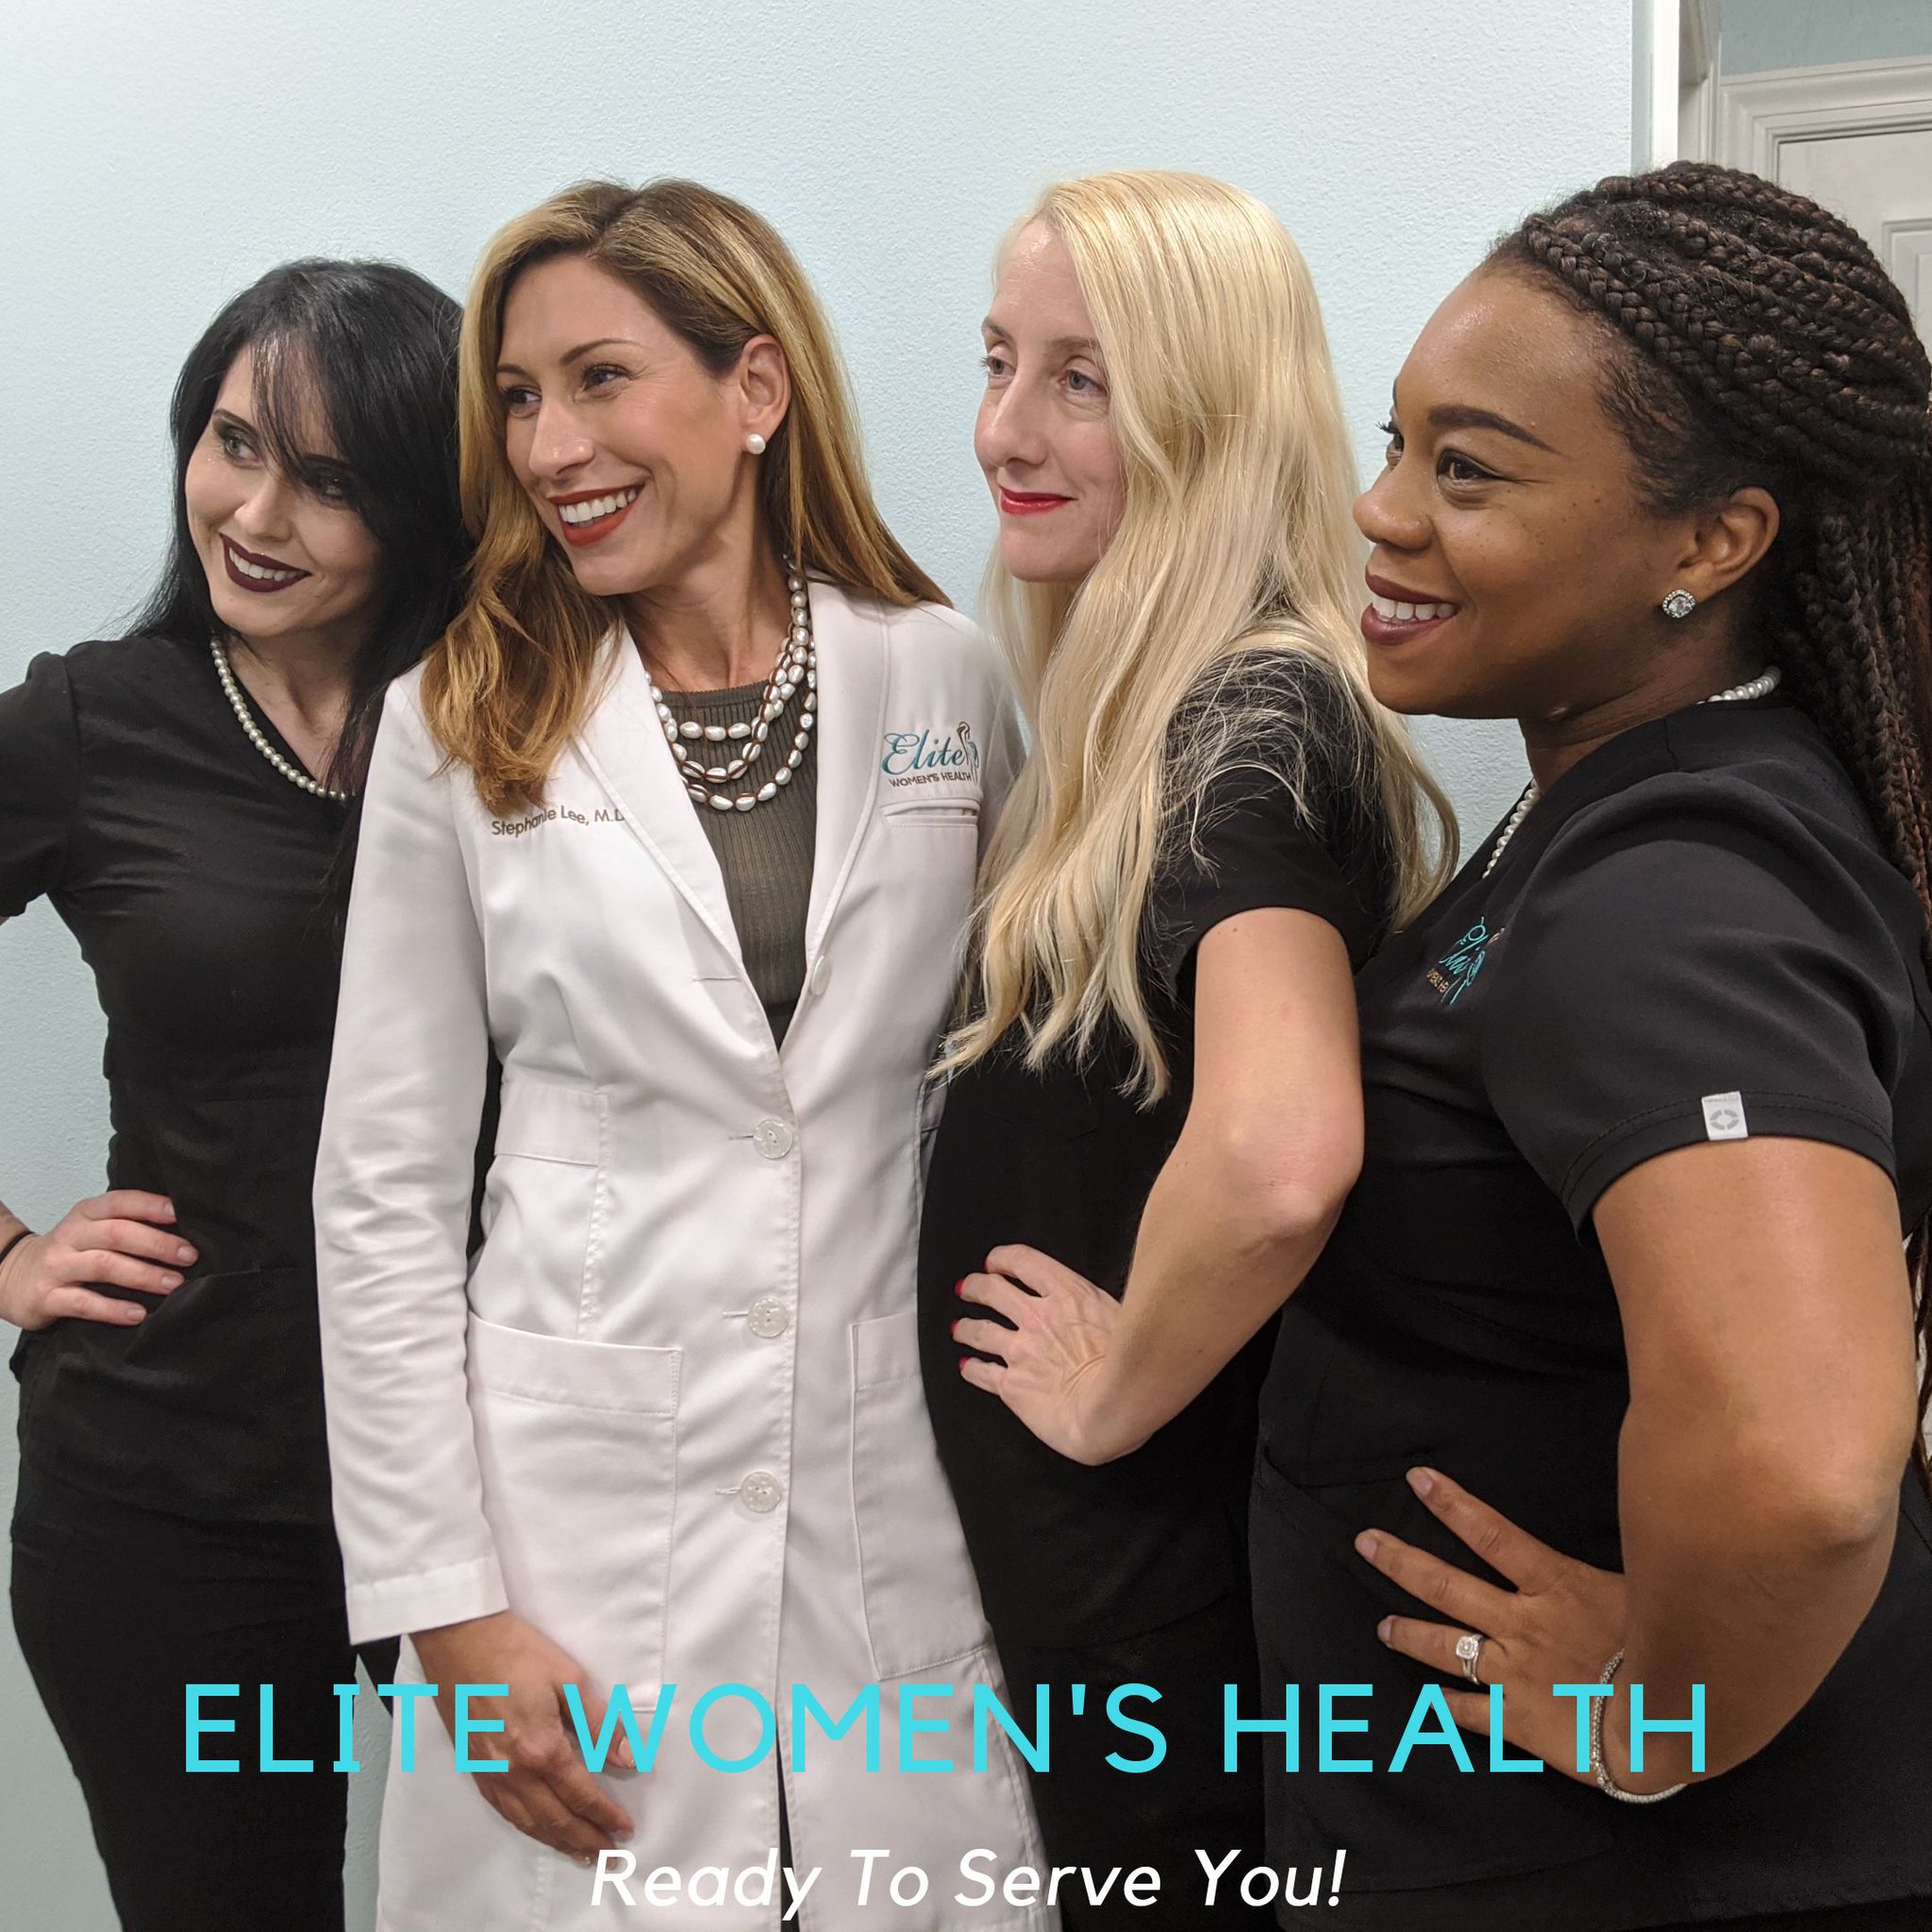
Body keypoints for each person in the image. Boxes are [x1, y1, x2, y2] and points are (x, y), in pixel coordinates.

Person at [983, 160, 1932, 1928]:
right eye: (1401, 445)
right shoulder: (1613, 808)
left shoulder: (1676, 891)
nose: (1382, 511)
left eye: (1469, 471)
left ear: (1710, 545)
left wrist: (1653, 1715)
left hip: (1632, 1869)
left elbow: (1805, 1473)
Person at [311, 178, 1047, 1931]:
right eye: (519, 398)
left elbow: (1017, 1079)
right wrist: (449, 1612)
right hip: (566, 1529)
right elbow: (384, 1189)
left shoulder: (941, 680)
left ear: (756, 389)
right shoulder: (458, 719)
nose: (550, 446)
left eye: (600, 379)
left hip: (887, 1494)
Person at [915, 170, 1451, 1924]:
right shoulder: (1148, 713)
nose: (1007, 428)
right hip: (1106, 1602)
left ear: (1212, 411)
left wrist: (1114, 1385)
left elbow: (1282, 1156)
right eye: (1000, 361)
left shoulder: (1249, 718)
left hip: (1163, 1611)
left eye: (1082, 379)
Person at [0, 259, 466, 1932]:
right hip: (174, 1501)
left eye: (329, 479)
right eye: (234, 442)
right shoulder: (93, 723)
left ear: (420, 504)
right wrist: (6, 1257)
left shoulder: (517, 721)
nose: (256, 515)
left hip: (495, 1483)